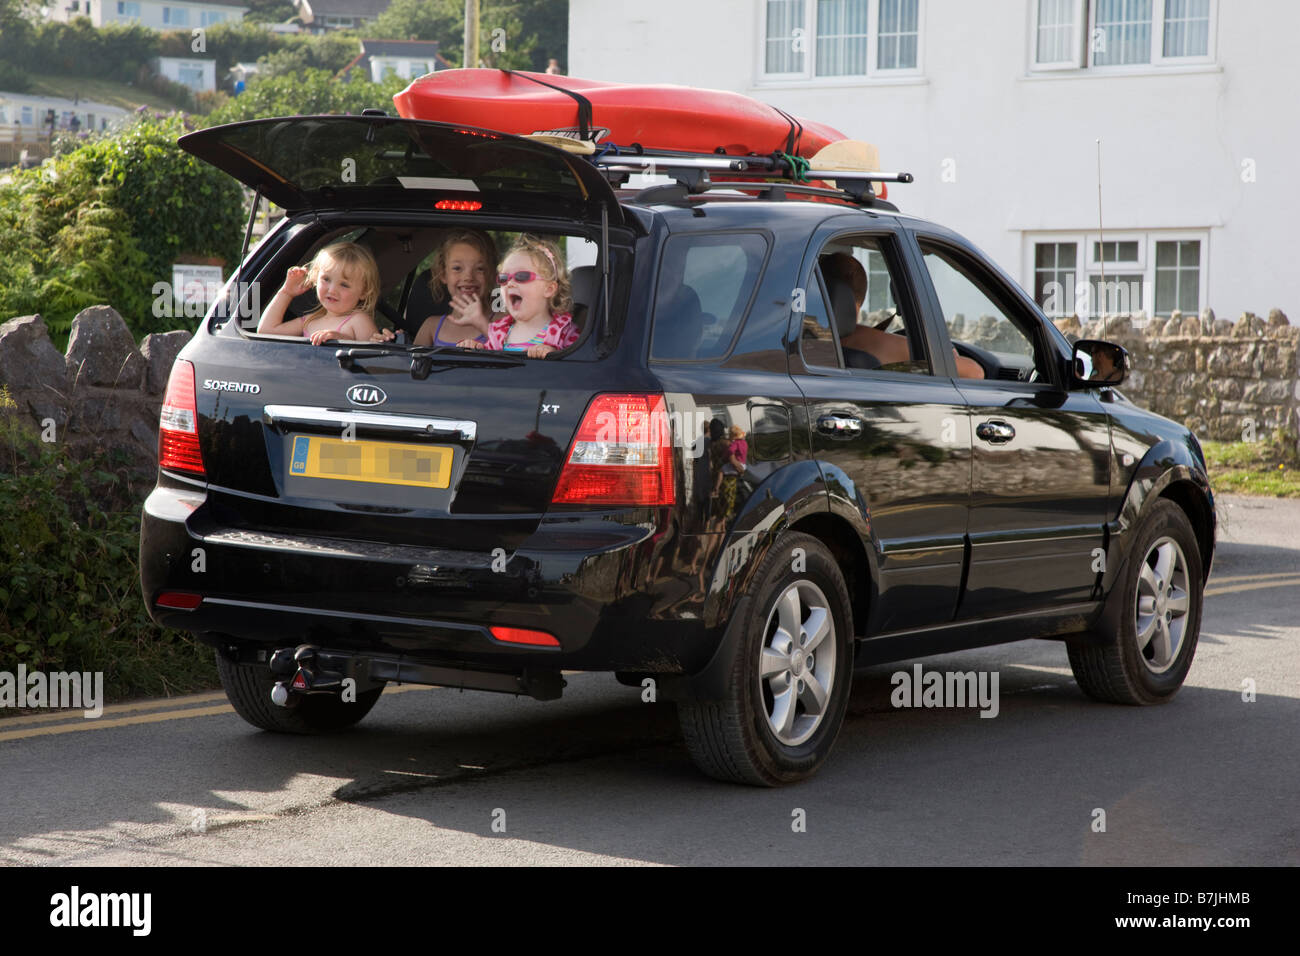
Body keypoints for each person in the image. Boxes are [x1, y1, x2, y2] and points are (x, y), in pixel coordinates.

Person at [821, 252, 984, 379]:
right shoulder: (874, 343)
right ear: (857, 297)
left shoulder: (803, 341)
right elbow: (975, 373)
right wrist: (949, 355)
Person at [459, 235, 579, 358]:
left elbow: (578, 368)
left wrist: (555, 355)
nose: (510, 284)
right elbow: (490, 364)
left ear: (549, 289)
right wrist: (476, 349)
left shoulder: (564, 332)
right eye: (504, 278)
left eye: (522, 276)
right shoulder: (499, 332)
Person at [257, 241, 382, 345]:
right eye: (326, 279)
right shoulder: (309, 321)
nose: (332, 290)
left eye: (344, 285)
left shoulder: (359, 320)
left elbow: (372, 362)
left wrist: (340, 339)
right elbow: (265, 332)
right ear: (315, 278)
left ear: (364, 292)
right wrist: (286, 292)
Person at [406, 230, 497, 347]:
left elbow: (514, 352)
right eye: (457, 268)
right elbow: (411, 363)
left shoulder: (502, 322)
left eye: (480, 268)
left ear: (491, 274)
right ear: (443, 274)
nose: (468, 277)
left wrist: (483, 325)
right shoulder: (431, 326)